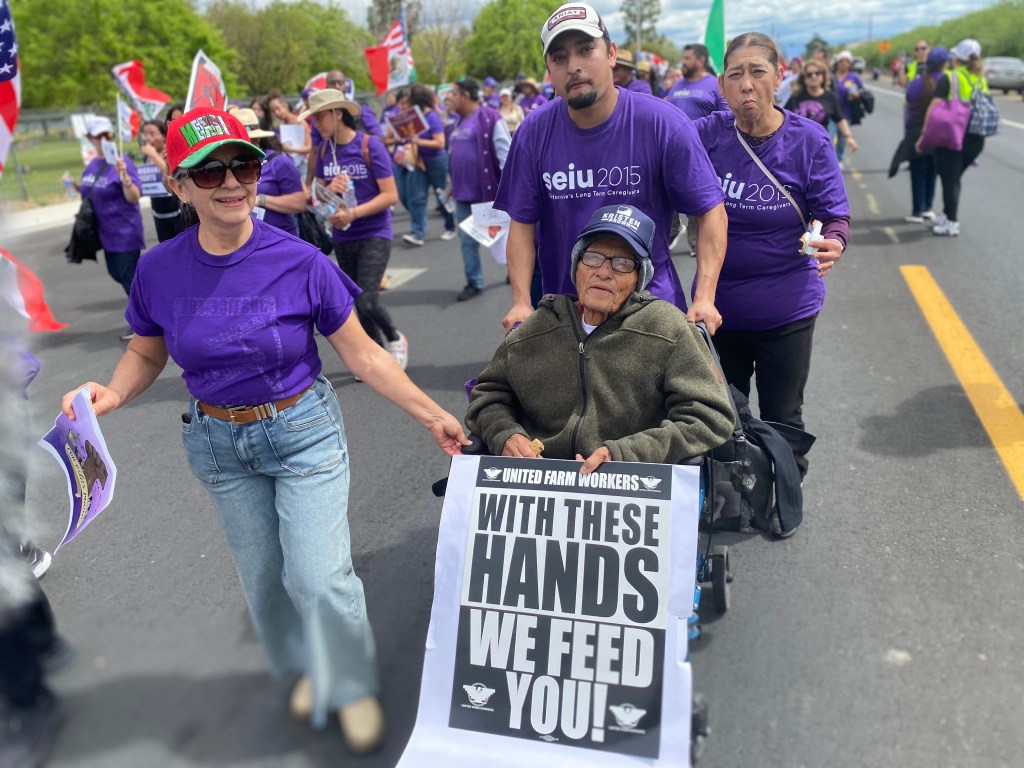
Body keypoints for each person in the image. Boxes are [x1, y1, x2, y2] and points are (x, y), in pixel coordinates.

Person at [60, 107, 468, 754]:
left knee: (317, 576)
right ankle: (311, 671)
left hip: (302, 432)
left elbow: (362, 355)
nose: (232, 181)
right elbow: (146, 352)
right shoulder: (157, 270)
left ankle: (351, 682)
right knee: (266, 583)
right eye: (210, 169)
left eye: (243, 164)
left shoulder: (301, 259)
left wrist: (434, 415)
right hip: (219, 445)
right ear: (179, 184)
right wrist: (110, 392)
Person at [494, 1, 728, 333]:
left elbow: (711, 210)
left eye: (586, 49)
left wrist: (704, 296)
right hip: (567, 317)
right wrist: (521, 300)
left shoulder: (663, 124)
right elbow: (521, 224)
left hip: (649, 315)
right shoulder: (533, 132)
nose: (573, 66)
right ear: (549, 70)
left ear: (611, 54)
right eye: (559, 57)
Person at [466, 204, 734, 469]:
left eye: (622, 264)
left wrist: (624, 454)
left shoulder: (667, 328)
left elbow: (710, 416)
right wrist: (505, 434)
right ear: (577, 267)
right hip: (542, 483)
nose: (604, 272)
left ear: (638, 279)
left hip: (629, 487)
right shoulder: (540, 326)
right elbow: (488, 395)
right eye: (593, 257)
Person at [694, 32, 849, 478]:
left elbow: (834, 214)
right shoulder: (706, 135)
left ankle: (785, 493)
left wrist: (833, 242)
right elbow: (655, 152)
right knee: (720, 414)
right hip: (718, 312)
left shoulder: (809, 141)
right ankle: (733, 494)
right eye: (735, 75)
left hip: (789, 311)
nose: (747, 85)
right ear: (722, 85)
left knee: (783, 417)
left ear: (779, 77)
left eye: (758, 72)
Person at [304, 90, 408, 368]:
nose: (316, 123)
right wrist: (328, 188)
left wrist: (354, 212)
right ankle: (375, 353)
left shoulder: (369, 146)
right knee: (354, 301)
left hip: (375, 231)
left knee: (369, 300)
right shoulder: (325, 151)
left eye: (320, 116)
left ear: (338, 113)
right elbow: (315, 195)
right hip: (342, 235)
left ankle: (394, 337)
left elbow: (390, 195)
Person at [79, 115, 145, 339]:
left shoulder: (122, 162)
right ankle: (146, 317)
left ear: (111, 136)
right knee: (116, 273)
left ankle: (142, 325)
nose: (100, 140)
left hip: (124, 231)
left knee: (129, 279)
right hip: (104, 233)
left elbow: (134, 197)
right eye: (95, 136)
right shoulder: (94, 164)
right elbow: (89, 191)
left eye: (104, 136)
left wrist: (124, 177)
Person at [447, 77, 511, 302]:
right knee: (467, 242)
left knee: (501, 238)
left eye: (453, 94)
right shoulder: (455, 123)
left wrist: (508, 187)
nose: (449, 99)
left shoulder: (490, 117)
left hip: (487, 194)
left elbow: (505, 154)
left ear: (465, 95)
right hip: (462, 195)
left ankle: (514, 271)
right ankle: (474, 281)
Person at [663, 43, 730, 257]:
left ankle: (695, 243)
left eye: (688, 58)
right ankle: (673, 229)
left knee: (697, 197)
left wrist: (695, 128)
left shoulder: (714, 84)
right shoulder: (677, 84)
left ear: (701, 60)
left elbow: (727, 115)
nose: (684, 62)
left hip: (703, 151)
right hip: (673, 150)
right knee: (666, 191)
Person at [925, 39, 989, 238]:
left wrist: (924, 134)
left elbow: (934, 106)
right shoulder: (980, 78)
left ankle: (952, 222)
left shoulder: (950, 77)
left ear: (957, 58)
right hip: (976, 138)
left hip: (953, 135)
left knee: (949, 180)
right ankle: (947, 214)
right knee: (953, 179)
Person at [393, 84, 456, 246]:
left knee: (441, 194)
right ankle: (418, 233)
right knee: (417, 197)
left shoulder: (432, 117)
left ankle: (450, 226)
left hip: (435, 161)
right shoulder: (416, 118)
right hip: (419, 161)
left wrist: (418, 141)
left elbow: (440, 143)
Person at [233, 108, 307, 237]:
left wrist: (261, 200)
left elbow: (299, 203)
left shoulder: (279, 162)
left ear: (257, 140)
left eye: (249, 141)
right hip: (244, 239)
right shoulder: (229, 166)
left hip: (281, 239)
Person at [902, 47, 949, 223]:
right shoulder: (946, 81)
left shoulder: (917, 82)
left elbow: (908, 98)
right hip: (938, 133)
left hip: (916, 131)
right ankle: (928, 207)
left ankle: (917, 210)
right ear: (944, 64)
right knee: (932, 171)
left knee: (918, 172)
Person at [784, 60, 857, 154]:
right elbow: (784, 118)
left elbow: (840, 118)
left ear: (823, 76)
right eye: (809, 74)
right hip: (798, 147)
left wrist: (849, 137)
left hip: (821, 147)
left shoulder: (830, 97)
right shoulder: (796, 96)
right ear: (804, 79)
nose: (813, 76)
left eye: (817, 73)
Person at [139, 119, 186, 243]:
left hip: (176, 213)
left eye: (153, 134)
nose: (148, 139)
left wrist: (155, 156)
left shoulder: (169, 152)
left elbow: (169, 176)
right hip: (158, 212)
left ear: (164, 135)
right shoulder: (147, 156)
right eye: (146, 134)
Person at [268, 93, 313, 179]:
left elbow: (309, 147)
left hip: (302, 165)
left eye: (277, 108)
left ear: (284, 105)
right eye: (273, 111)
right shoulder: (280, 127)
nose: (276, 113)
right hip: (288, 165)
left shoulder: (300, 122)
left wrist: (291, 149)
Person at [831, 51, 864, 165]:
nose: (844, 63)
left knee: (842, 139)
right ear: (837, 62)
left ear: (850, 64)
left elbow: (861, 90)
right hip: (831, 112)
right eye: (841, 61)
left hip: (846, 112)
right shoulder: (831, 76)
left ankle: (840, 159)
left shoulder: (853, 77)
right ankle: (830, 160)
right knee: (829, 136)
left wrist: (857, 94)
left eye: (847, 61)